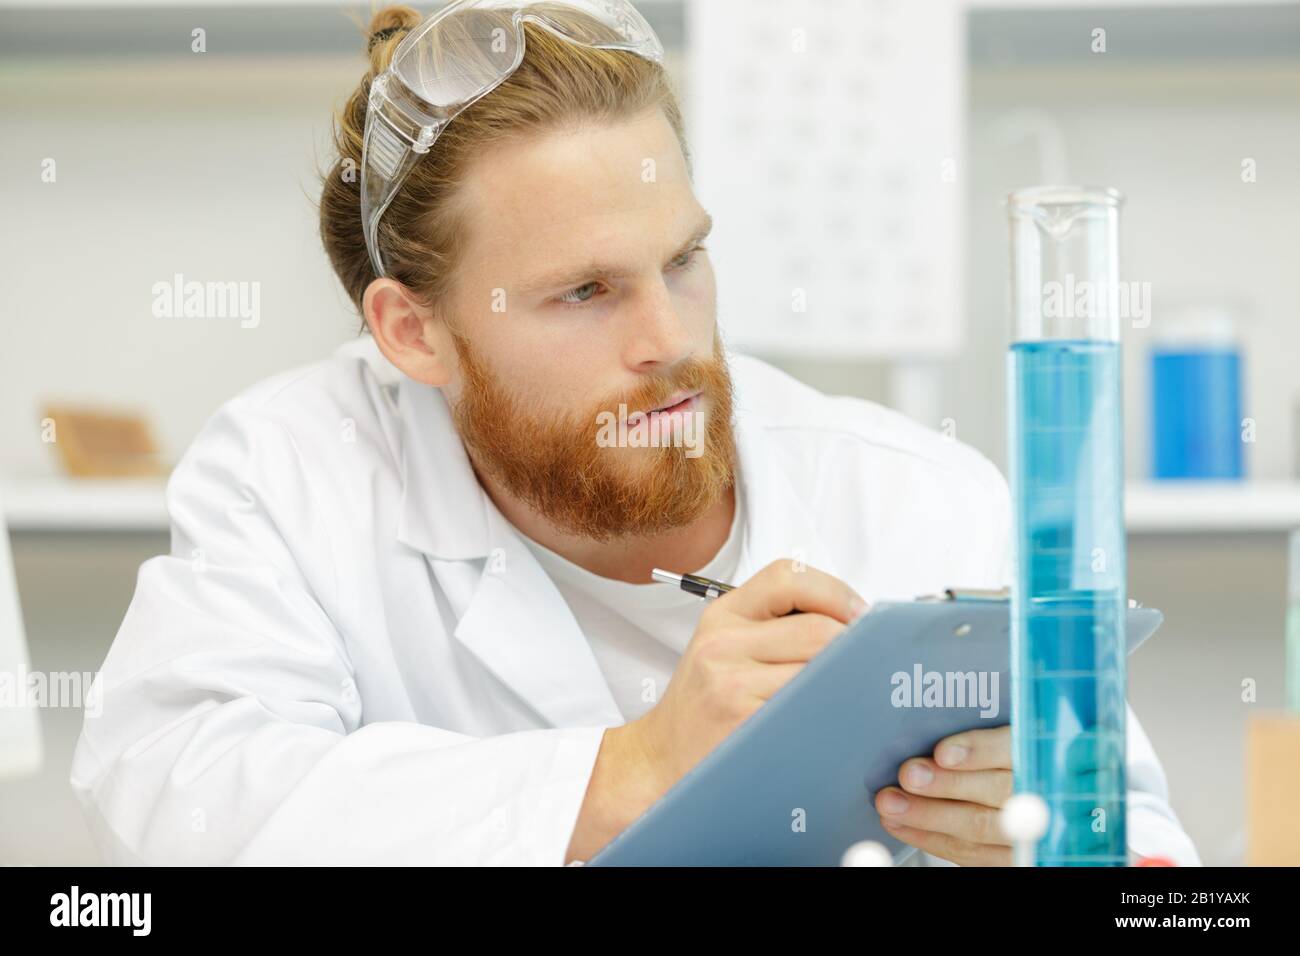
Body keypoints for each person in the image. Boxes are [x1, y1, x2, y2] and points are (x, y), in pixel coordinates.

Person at [70, 1, 1199, 866]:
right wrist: (628, 767)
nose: (670, 338)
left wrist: (1050, 836)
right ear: (411, 330)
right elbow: (186, 784)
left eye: (681, 260)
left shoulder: (918, 500)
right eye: (584, 292)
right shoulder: (294, 472)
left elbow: (1160, 871)